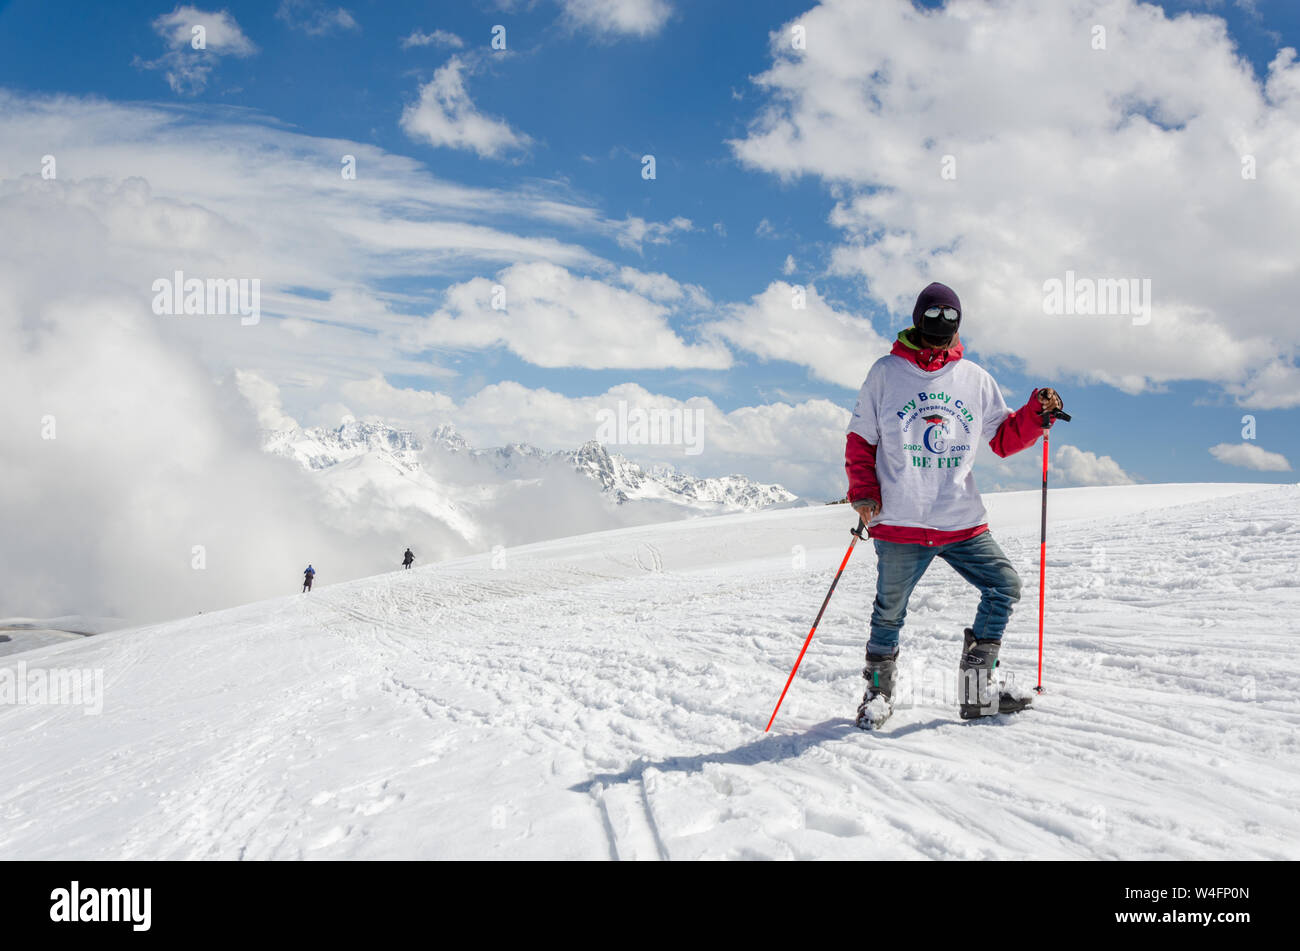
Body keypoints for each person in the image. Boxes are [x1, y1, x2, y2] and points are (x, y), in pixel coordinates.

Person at [845, 282, 1065, 729]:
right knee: (889, 613)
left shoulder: (976, 379)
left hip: (962, 521)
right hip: (902, 521)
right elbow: (860, 440)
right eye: (934, 315)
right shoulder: (885, 372)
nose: (941, 324)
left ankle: (976, 692)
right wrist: (863, 492)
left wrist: (1034, 416)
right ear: (917, 318)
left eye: (950, 316)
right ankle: (877, 696)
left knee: (1004, 585)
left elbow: (1003, 439)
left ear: (958, 323)